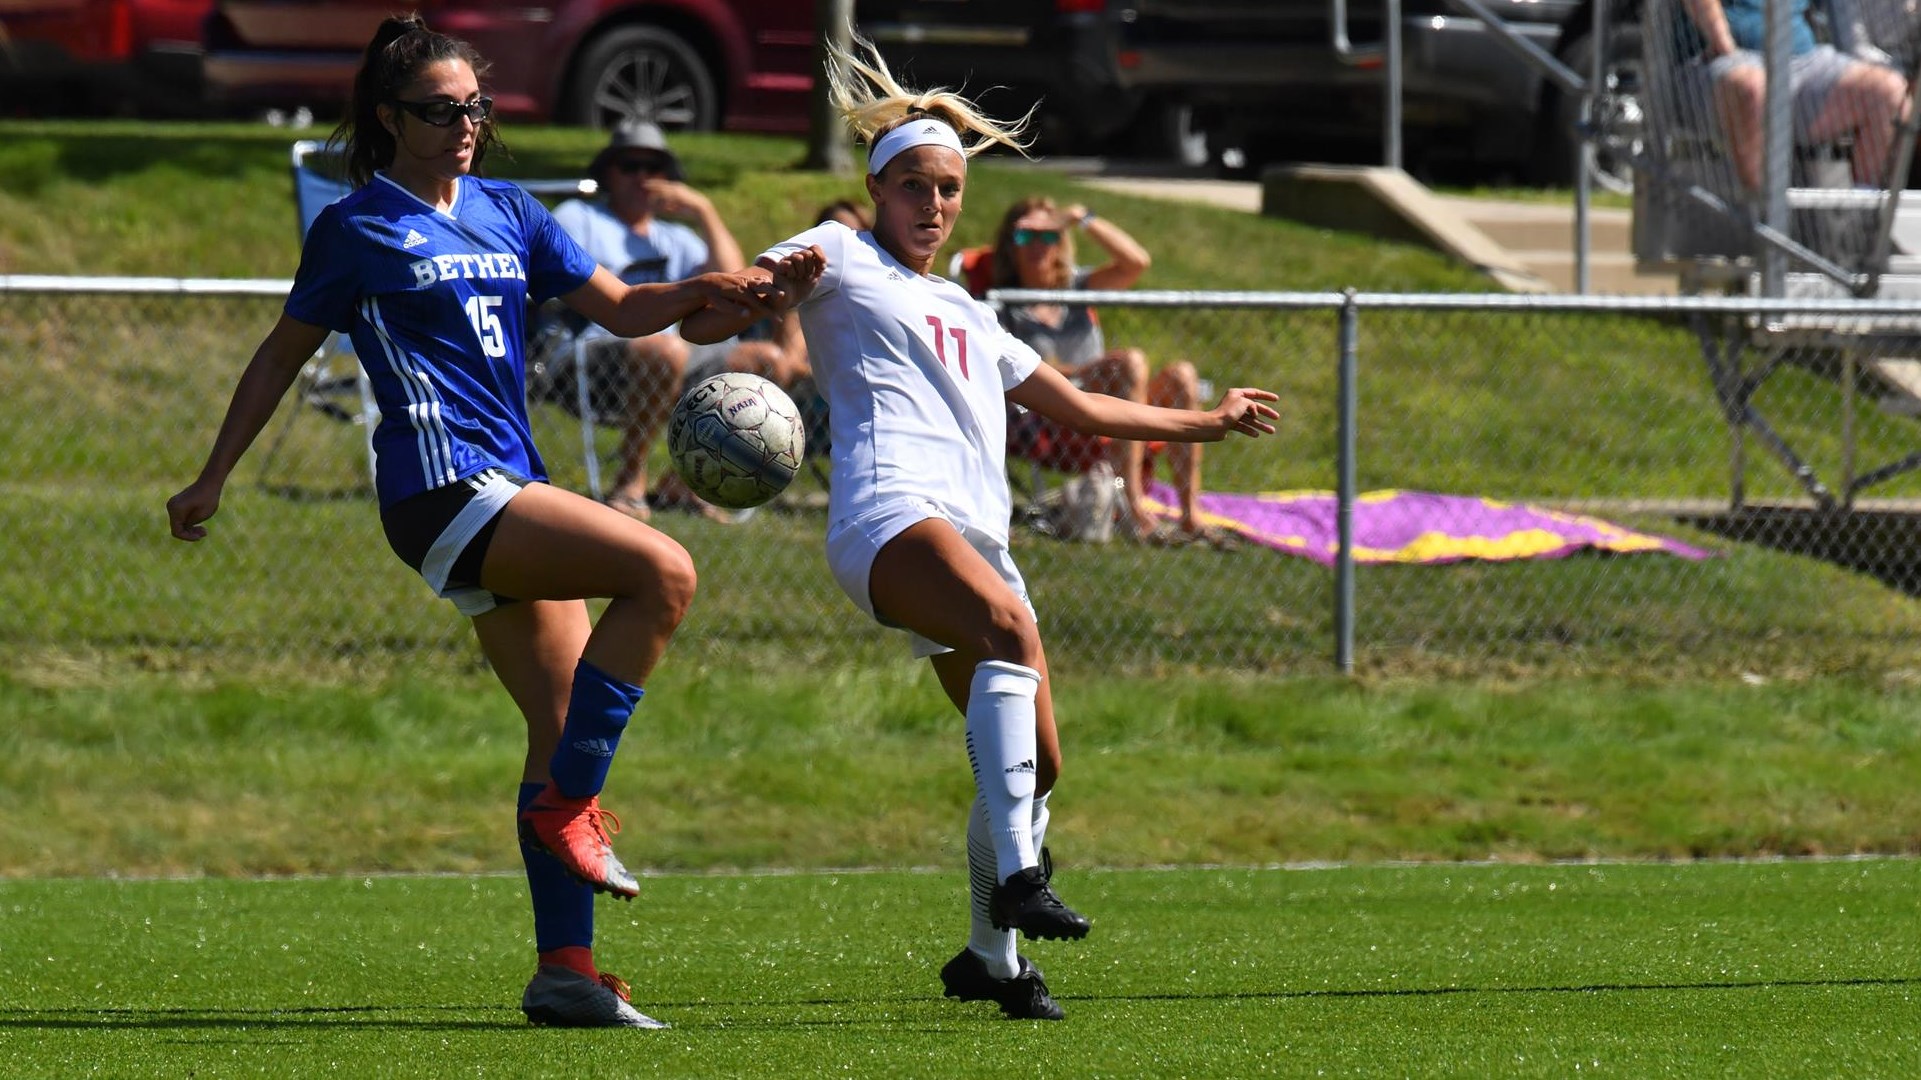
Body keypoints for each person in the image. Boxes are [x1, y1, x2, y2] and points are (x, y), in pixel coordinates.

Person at [164, 15, 817, 1030]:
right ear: (388, 119)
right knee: (665, 572)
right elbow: (280, 355)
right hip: (439, 487)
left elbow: (627, 310)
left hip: (505, 482)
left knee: (560, 728)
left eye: (474, 104)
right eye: (438, 109)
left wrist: (723, 290)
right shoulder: (357, 226)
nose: (464, 122)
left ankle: (563, 971)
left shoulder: (512, 209)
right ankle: (572, 812)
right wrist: (213, 475)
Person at [681, 36, 1279, 1022]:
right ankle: (1019, 881)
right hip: (887, 516)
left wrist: (1206, 422)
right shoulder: (837, 254)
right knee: (1006, 636)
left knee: (1039, 765)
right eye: (914, 186)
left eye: (949, 190)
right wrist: (754, 291)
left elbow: (1081, 410)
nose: (933, 205)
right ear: (878, 189)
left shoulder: (965, 305)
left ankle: (990, 957)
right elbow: (716, 320)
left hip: (975, 540)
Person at [547, 120, 807, 521]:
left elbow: (734, 278)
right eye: (629, 166)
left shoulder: (677, 237)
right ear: (608, 172)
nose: (642, 178)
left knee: (768, 359)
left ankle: (681, 482)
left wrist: (703, 211)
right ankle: (630, 482)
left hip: (674, 357)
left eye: (654, 168)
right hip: (592, 354)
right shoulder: (578, 218)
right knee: (664, 346)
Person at [987, 195, 1220, 545]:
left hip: (1110, 408)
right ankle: (1132, 504)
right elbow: (1012, 369)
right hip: (1050, 414)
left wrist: (1079, 215)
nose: (1037, 246)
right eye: (1025, 237)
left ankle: (1191, 516)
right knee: (1129, 364)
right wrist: (1084, 370)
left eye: (1048, 236)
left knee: (1182, 376)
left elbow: (1136, 262)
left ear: (1061, 241)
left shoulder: (1077, 287)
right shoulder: (1001, 302)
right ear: (1009, 245)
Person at [1680, 0, 1909, 193]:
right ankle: (1762, 218)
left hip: (1803, 61)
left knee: (1890, 90)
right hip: (1723, 62)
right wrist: (1725, 46)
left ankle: (1859, 219)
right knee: (1753, 86)